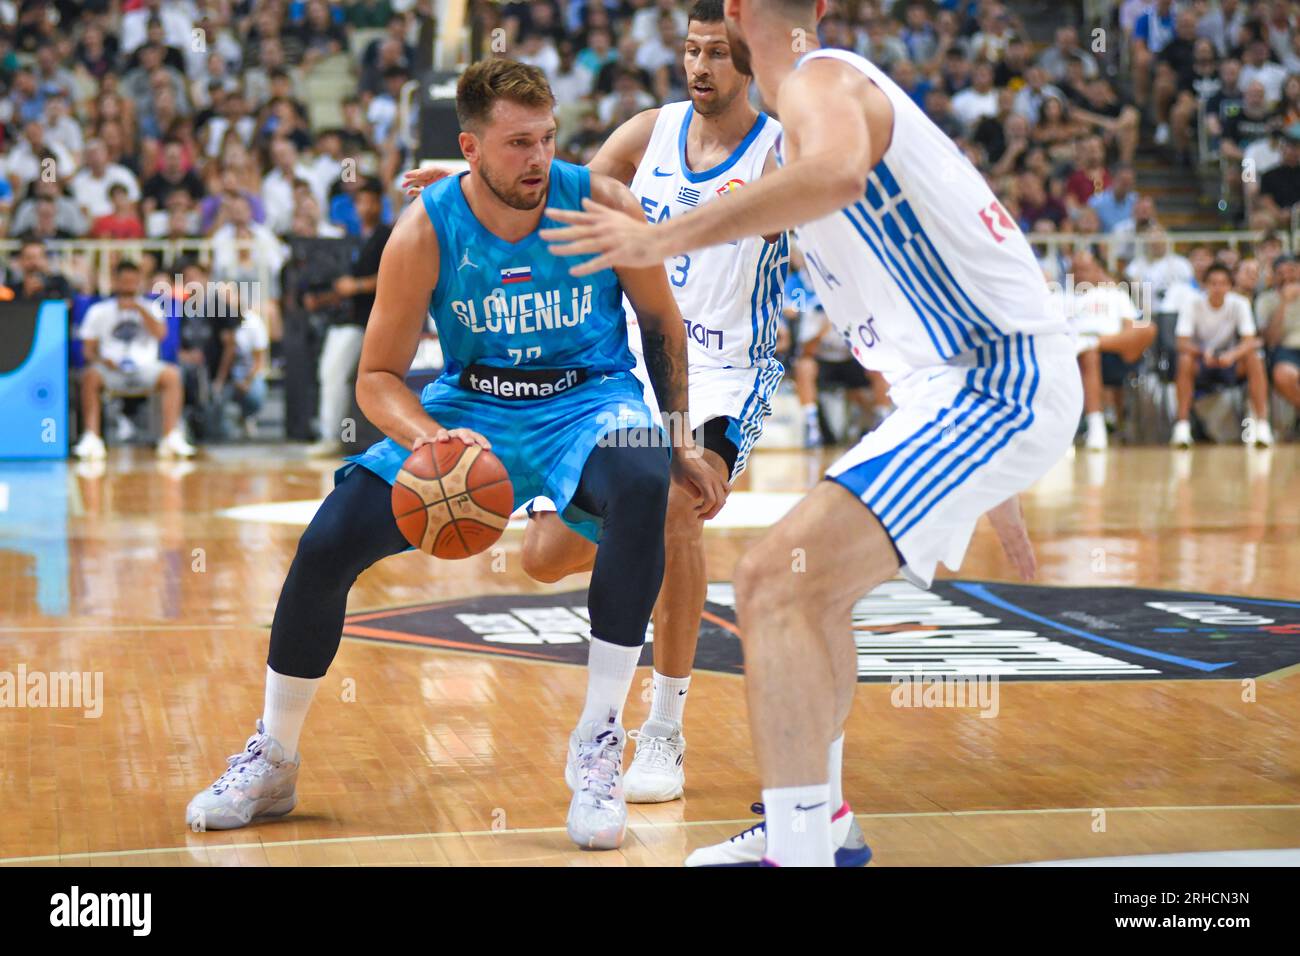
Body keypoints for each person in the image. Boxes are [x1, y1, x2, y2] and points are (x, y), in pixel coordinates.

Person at [542, 0, 1083, 867]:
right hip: (965, 391)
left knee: (771, 584)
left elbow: (835, 172)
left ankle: (794, 845)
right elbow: (896, 325)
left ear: (738, 14)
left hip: (995, 382)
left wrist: (662, 233)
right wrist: (1001, 486)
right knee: (808, 592)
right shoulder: (791, 127)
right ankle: (820, 822)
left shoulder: (825, 85)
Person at [184, 60, 725, 851]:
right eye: (516, 144)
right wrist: (425, 437)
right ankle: (274, 755)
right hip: (470, 403)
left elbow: (661, 323)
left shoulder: (603, 203)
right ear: (470, 147)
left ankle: (600, 743)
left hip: (591, 397)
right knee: (327, 541)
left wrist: (677, 437)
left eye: (545, 139)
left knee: (645, 480)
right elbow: (377, 377)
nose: (538, 158)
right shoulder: (426, 230)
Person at [402, 0, 788, 807]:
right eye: (691, 50)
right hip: (628, 365)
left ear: (750, 58)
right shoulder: (649, 133)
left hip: (720, 371)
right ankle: (621, 572)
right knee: (545, 559)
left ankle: (663, 727)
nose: (700, 67)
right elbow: (556, 186)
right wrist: (467, 183)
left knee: (680, 507)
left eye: (717, 52)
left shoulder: (786, 149)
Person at [72, 260, 196, 461]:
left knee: (171, 375)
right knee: (90, 376)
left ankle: (171, 436)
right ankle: (92, 437)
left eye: (133, 281)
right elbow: (88, 351)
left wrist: (140, 310)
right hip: (111, 370)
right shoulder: (99, 311)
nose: (129, 286)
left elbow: (161, 334)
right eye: (125, 281)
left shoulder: (152, 307)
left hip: (145, 369)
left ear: (140, 282)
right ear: (115, 282)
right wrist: (103, 360)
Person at [306, 177, 391, 457]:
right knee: (331, 374)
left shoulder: (387, 235)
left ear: (379, 203)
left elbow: (394, 277)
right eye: (360, 201)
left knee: (337, 374)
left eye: (369, 200)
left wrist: (355, 286)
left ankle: (335, 437)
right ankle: (335, 436)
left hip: (372, 321)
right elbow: (345, 285)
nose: (364, 207)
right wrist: (326, 297)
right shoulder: (353, 240)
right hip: (348, 319)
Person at [1171, 262, 1274, 447]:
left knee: (1255, 358)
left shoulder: (1240, 303)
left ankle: (1262, 425)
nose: (1218, 288)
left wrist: (1231, 356)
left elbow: (1249, 340)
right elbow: (1181, 342)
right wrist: (1203, 353)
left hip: (1230, 362)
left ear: (1230, 285)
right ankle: (1182, 427)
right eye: (1213, 283)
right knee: (1184, 360)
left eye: (1222, 283)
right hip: (1202, 361)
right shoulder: (1191, 304)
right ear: (1205, 285)